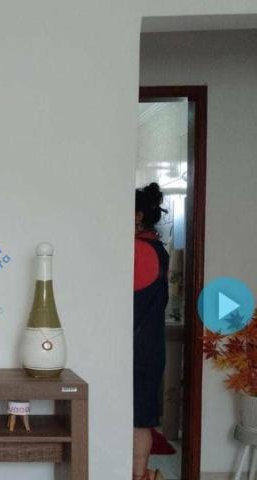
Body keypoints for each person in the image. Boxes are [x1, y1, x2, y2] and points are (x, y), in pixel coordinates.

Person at [133, 182, 169, 480]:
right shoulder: (153, 247)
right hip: (147, 345)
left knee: (138, 417)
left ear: (138, 216)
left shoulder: (141, 249)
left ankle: (139, 475)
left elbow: (128, 305)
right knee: (139, 415)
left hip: (140, 349)